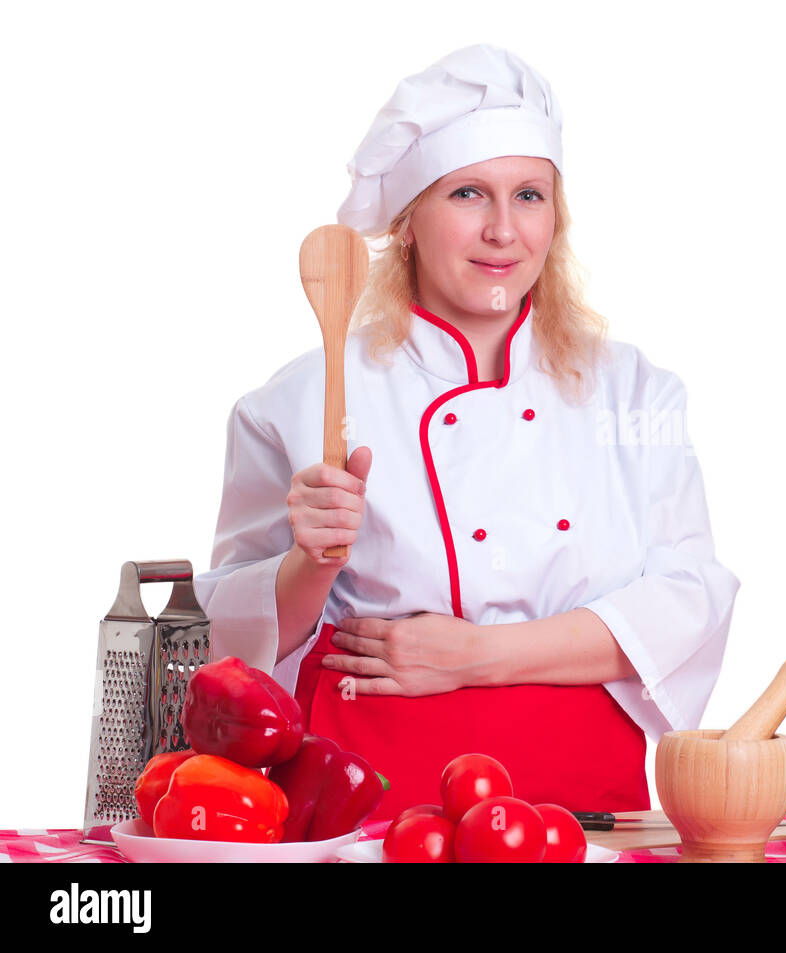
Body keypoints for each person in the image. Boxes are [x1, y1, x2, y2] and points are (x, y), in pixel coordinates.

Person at [192, 44, 740, 819]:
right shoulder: (301, 398)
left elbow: (688, 602)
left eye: (529, 196)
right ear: (409, 222)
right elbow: (232, 640)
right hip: (366, 800)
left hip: (582, 802)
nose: (502, 231)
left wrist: (474, 657)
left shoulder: (633, 390)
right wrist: (310, 562)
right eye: (468, 194)